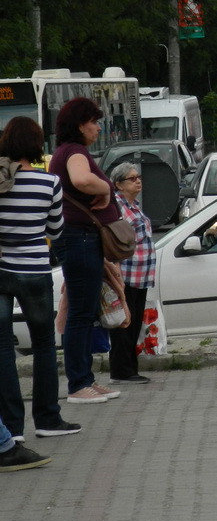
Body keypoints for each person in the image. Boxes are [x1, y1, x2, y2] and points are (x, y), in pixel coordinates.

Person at [0, 116, 77, 439]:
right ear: (36, 145)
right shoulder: (50, 183)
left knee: (3, 346)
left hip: (1, 270)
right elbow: (56, 230)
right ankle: (47, 419)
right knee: (44, 343)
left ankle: (11, 428)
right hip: (35, 270)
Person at [48, 98, 122, 404]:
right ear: (80, 124)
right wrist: (106, 188)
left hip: (77, 238)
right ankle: (78, 384)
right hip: (78, 238)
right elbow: (80, 179)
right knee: (81, 311)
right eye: (94, 121)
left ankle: (86, 379)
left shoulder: (65, 152)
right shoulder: (75, 152)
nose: (98, 126)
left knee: (84, 309)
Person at [107, 162, 156, 386]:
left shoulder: (134, 205)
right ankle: (121, 371)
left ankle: (130, 368)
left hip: (140, 274)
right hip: (125, 273)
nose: (138, 181)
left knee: (134, 322)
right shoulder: (116, 206)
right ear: (118, 184)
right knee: (124, 323)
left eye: (138, 177)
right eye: (131, 178)